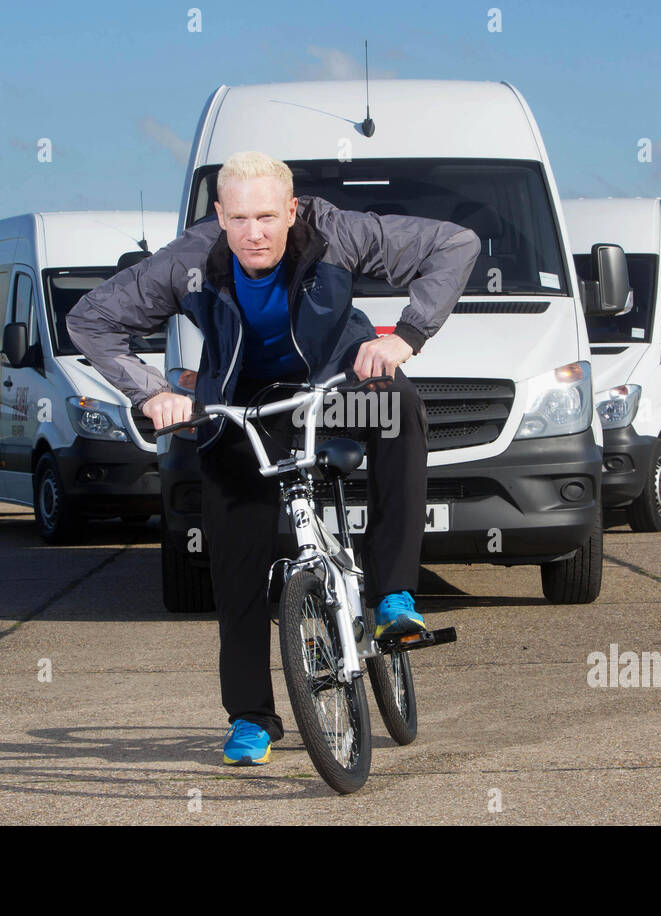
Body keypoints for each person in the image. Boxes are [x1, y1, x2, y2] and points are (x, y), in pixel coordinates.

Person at [67, 151, 478, 766]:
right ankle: (251, 716)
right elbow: (91, 319)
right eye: (238, 218)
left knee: (398, 409)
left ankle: (394, 598)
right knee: (235, 565)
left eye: (266, 216)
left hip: (336, 391)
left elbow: (454, 244)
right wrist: (152, 392)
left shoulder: (338, 234)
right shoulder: (189, 262)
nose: (253, 233)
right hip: (240, 409)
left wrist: (404, 338)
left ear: (292, 211)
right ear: (219, 216)